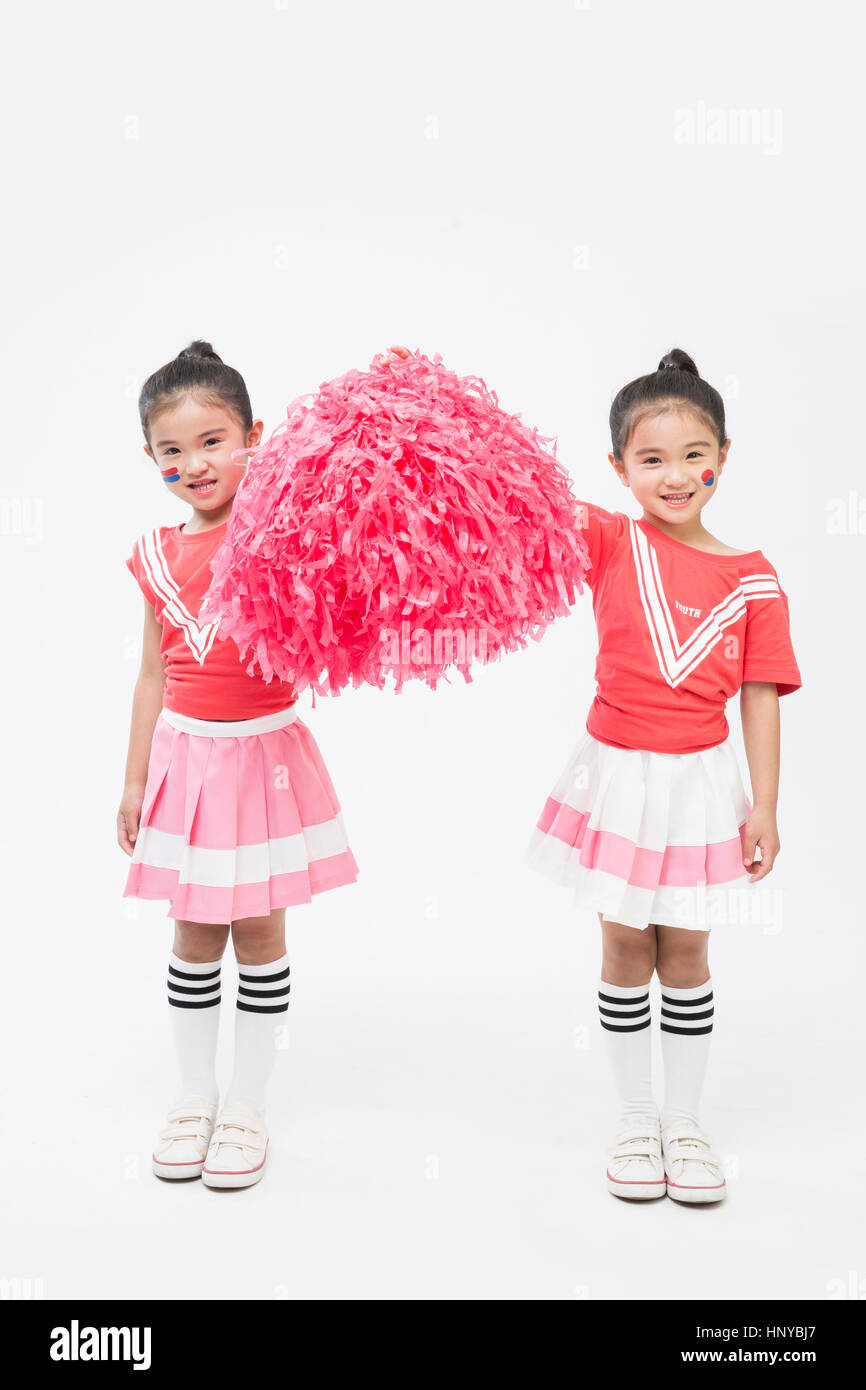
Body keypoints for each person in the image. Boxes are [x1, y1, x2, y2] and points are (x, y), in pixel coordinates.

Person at [525, 348, 802, 1204]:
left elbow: (761, 697)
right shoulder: (609, 540)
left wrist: (766, 804)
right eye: (650, 459)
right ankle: (635, 1117)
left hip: (699, 790)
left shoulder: (755, 578)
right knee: (622, 943)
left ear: (723, 454)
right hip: (618, 780)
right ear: (618, 469)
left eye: (693, 456)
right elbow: (516, 504)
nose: (675, 476)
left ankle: (684, 1121)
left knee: (685, 948)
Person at [117, 340, 361, 1189]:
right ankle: (194, 1098)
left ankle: (248, 1104)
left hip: (268, 760)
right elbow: (153, 673)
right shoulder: (152, 555)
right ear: (150, 459)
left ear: (255, 435)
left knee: (259, 930)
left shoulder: (286, 537)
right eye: (172, 451)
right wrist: (134, 776)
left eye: (214, 440)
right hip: (188, 760)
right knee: (192, 932)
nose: (195, 463)